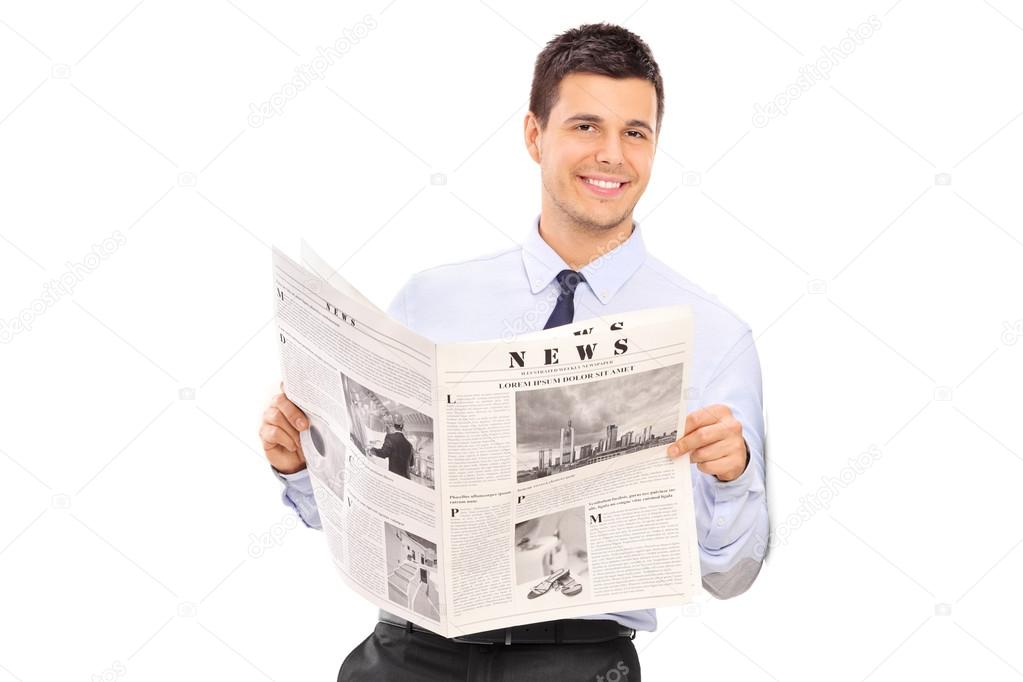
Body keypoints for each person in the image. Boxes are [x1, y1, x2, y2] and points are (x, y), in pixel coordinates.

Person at [258, 22, 768, 681]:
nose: (611, 154)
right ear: (535, 135)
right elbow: (357, 522)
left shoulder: (713, 333)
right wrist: (301, 465)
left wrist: (731, 478)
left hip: (573, 660)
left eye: (634, 133)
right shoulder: (429, 300)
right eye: (585, 126)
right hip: (408, 652)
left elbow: (732, 575)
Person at [368, 413, 414, 479]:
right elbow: (411, 464)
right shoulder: (410, 445)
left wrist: (371, 450)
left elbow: (383, 453)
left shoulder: (390, 438)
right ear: (402, 426)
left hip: (394, 478)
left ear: (393, 425)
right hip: (407, 479)